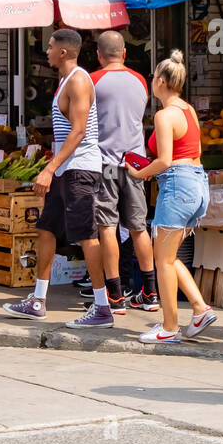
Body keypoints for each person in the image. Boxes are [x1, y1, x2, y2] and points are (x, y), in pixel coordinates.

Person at [2, 29, 111, 327]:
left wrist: (49, 168)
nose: (46, 51)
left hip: (80, 170)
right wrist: (54, 167)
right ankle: (37, 300)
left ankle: (102, 307)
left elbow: (78, 131)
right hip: (66, 170)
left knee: (87, 236)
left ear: (64, 52)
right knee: (46, 228)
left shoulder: (77, 79)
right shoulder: (64, 80)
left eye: (50, 47)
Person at [126, 50, 218, 344]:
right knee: (169, 256)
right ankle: (200, 308)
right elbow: (193, 152)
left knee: (162, 261)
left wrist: (140, 173)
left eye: (154, 77)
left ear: (162, 81)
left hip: (177, 186)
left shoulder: (165, 115)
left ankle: (169, 326)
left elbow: (165, 159)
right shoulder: (188, 111)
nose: (152, 82)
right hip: (197, 185)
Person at [91, 30, 159, 312]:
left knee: (107, 227)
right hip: (136, 164)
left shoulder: (93, 81)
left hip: (105, 164)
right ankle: (150, 292)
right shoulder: (141, 81)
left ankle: (116, 295)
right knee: (138, 227)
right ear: (125, 53)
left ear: (98, 55)